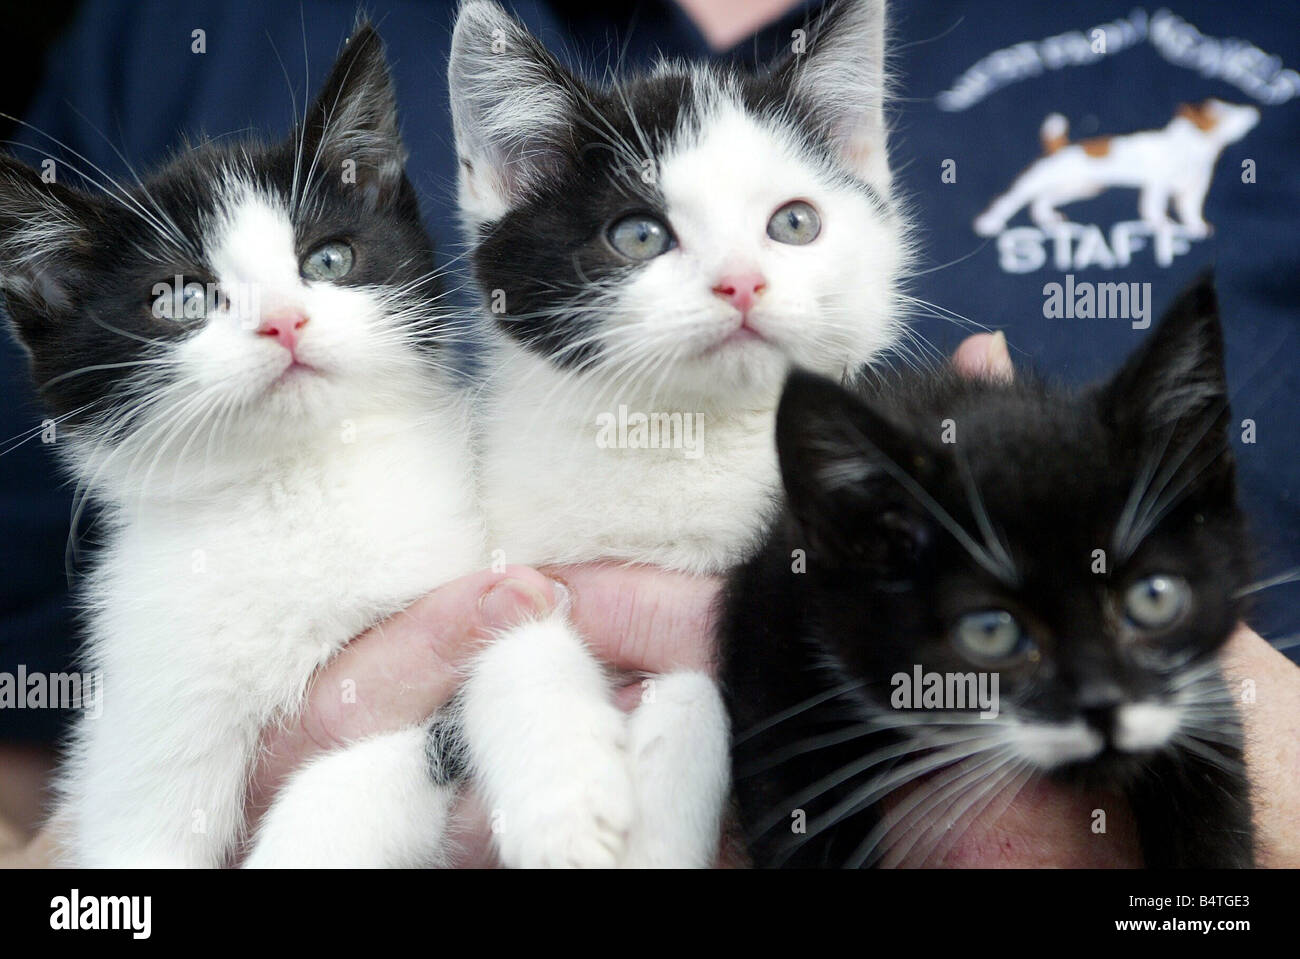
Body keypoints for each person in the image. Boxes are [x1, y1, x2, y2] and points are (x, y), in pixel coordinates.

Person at [2, 0, 1298, 866]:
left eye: (794, 223)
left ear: (863, 160)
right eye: (643, 234)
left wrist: (1214, 804)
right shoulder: (167, 30)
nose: (740, 282)